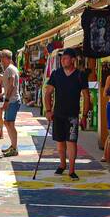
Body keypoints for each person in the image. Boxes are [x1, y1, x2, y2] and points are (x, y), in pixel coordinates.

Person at [42, 48, 91, 179]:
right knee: (60, 142)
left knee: (71, 142)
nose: (62, 60)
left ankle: (72, 169)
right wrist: (48, 110)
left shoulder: (80, 75)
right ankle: (62, 164)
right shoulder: (56, 74)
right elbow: (48, 93)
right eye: (62, 58)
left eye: (65, 58)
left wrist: (84, 115)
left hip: (73, 115)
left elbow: (86, 96)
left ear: (73, 60)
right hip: (58, 113)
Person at [0, 49, 21, 159]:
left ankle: (14, 148)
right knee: (7, 122)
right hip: (11, 99)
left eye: (1, 58)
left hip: (12, 100)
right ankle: (13, 146)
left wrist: (6, 100)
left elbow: (12, 85)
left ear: (6, 58)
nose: (0, 60)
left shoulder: (10, 69)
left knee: (10, 123)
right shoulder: (10, 69)